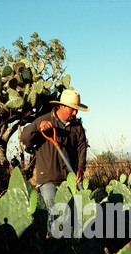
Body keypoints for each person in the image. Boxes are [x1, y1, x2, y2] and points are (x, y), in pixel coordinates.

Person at [21, 88, 89, 229]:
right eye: (72, 109)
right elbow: (25, 139)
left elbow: (82, 148)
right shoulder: (44, 120)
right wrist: (36, 126)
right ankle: (52, 245)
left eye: (76, 110)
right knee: (53, 215)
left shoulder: (77, 127)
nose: (75, 113)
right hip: (48, 178)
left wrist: (80, 168)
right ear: (62, 106)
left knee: (73, 215)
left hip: (69, 178)